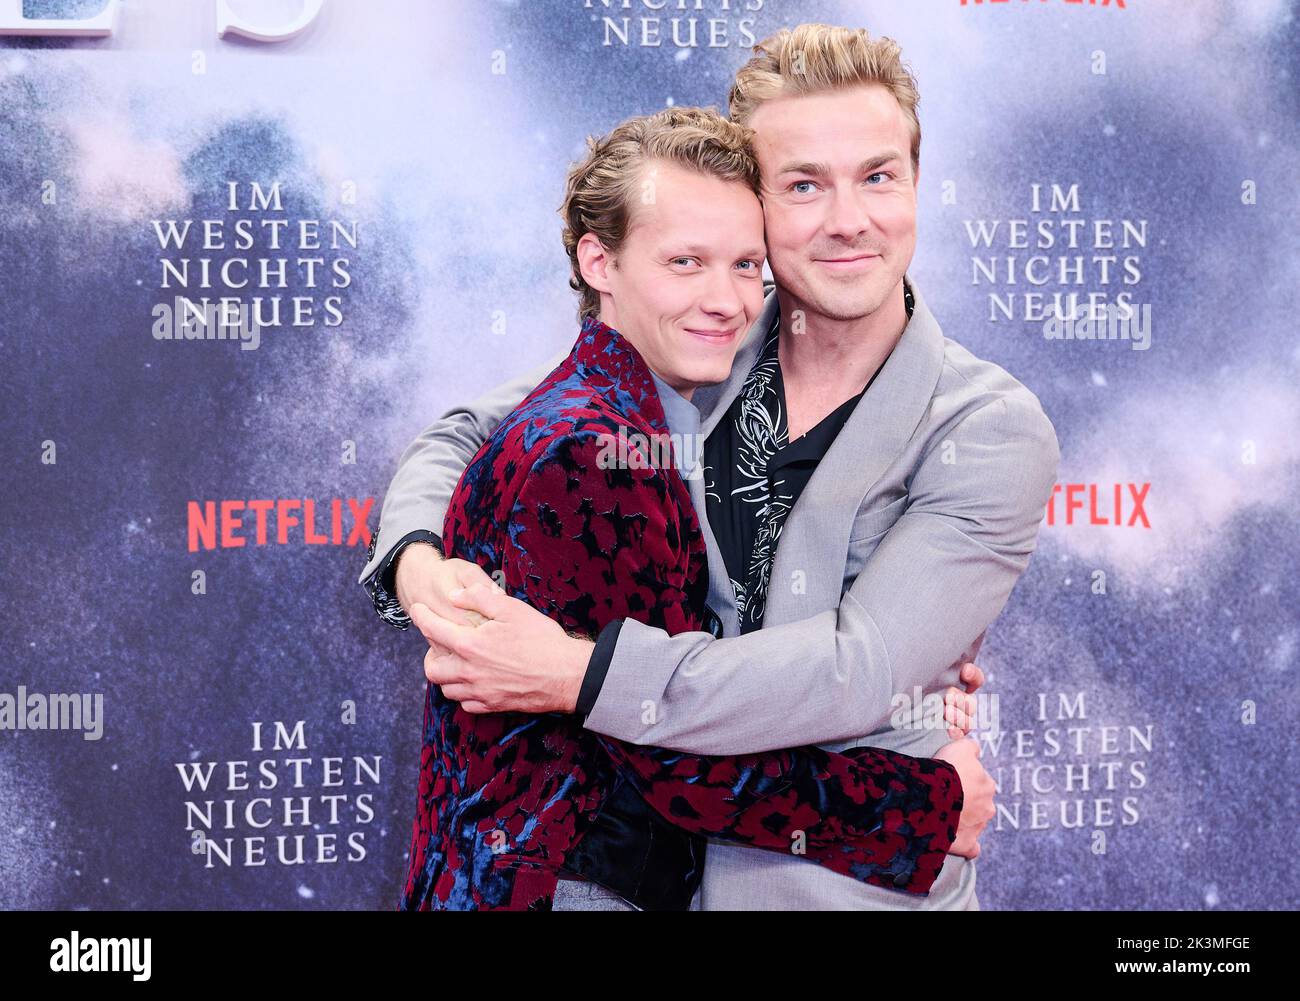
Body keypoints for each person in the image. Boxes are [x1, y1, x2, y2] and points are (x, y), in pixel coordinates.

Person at [372, 23, 1056, 910]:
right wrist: (422, 565)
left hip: (846, 890)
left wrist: (575, 673)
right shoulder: (708, 333)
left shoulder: (989, 425)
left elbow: (856, 671)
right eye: (804, 185)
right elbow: (479, 430)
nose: (849, 219)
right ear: (756, 202)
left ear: (918, 184)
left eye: (878, 176)